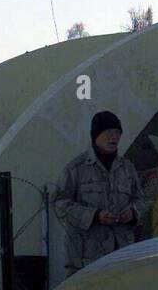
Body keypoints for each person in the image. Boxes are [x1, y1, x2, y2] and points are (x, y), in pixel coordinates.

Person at [52, 110, 148, 276]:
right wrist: (94, 216)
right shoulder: (76, 168)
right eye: (109, 132)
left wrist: (133, 212)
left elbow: (141, 199)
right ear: (96, 135)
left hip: (122, 256)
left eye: (118, 133)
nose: (115, 137)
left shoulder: (127, 168)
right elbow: (59, 204)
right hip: (86, 259)